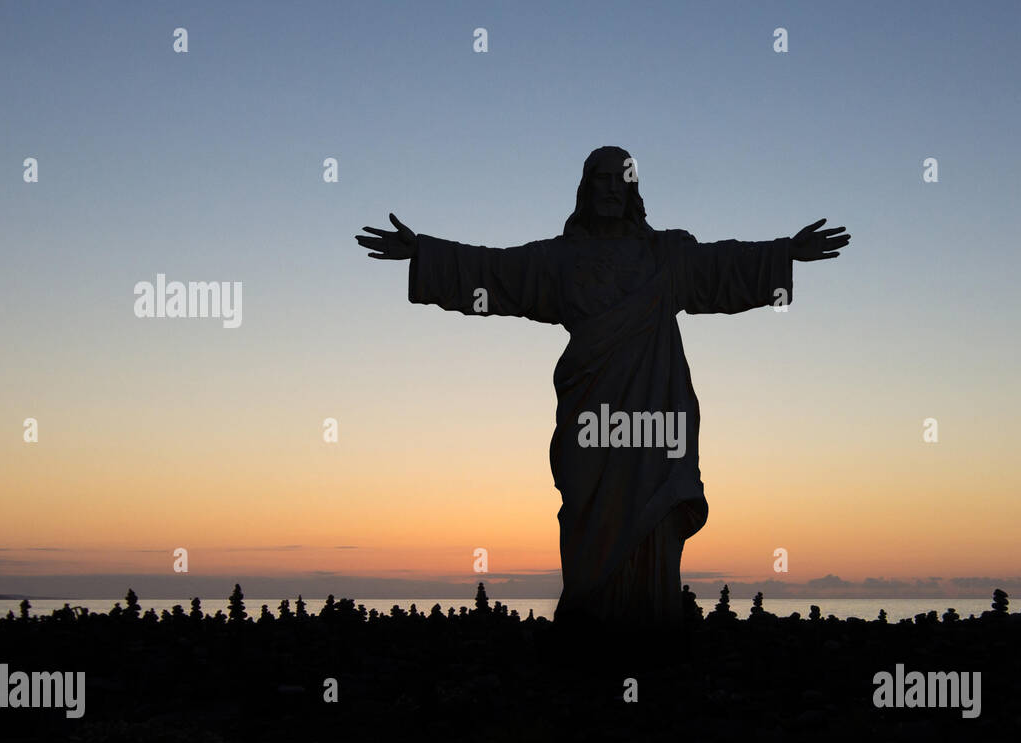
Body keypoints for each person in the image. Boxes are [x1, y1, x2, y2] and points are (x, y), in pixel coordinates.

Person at [356, 146, 848, 632]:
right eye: (603, 179)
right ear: (587, 189)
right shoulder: (560, 259)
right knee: (590, 519)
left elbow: (721, 267)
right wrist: (425, 252)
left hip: (654, 414)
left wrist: (786, 252)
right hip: (590, 416)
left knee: (652, 521)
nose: (612, 189)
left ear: (633, 189)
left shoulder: (667, 255)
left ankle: (652, 633)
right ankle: (589, 636)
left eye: (622, 180)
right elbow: (494, 271)